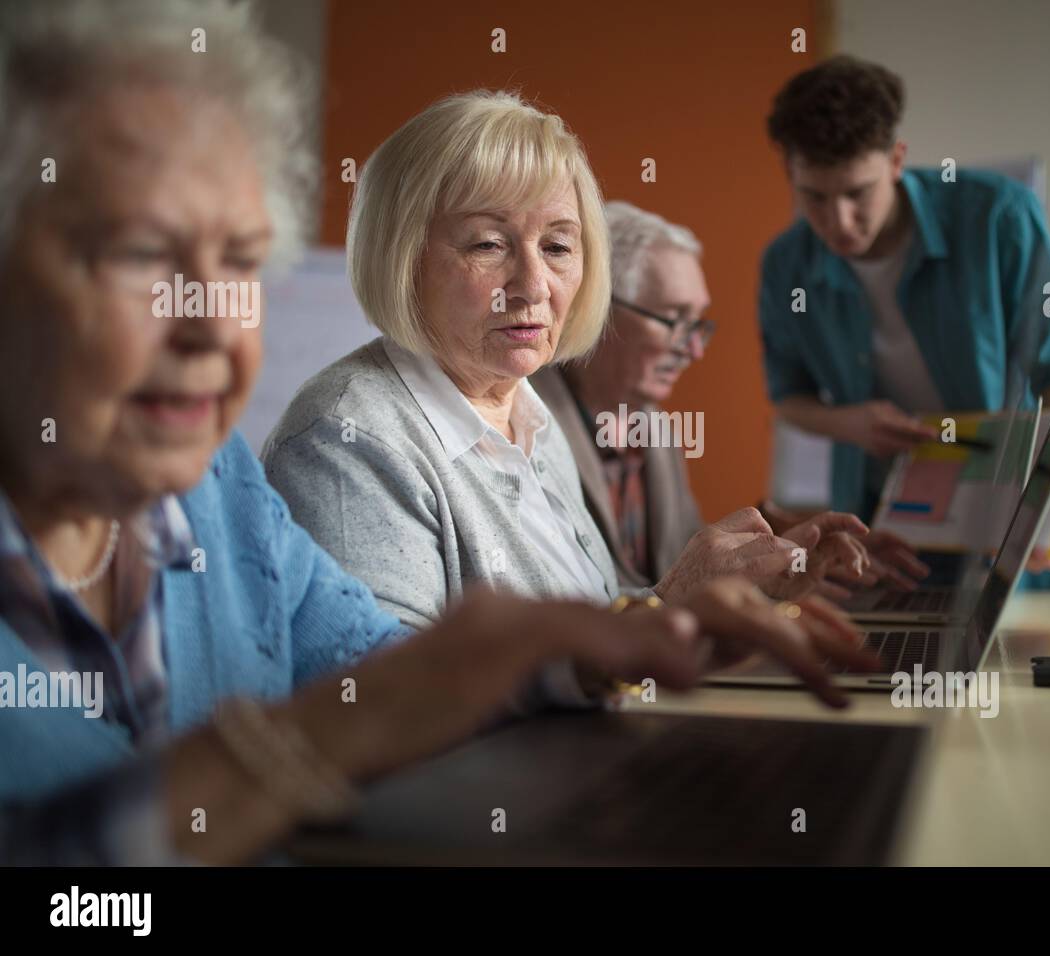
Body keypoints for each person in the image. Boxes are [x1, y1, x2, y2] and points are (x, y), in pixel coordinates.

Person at [0, 0, 872, 865]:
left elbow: (397, 680)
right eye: (141, 255)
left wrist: (626, 640)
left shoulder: (215, 486)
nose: (215, 325)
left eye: (239, 261)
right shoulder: (343, 435)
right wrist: (290, 756)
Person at [262, 91, 877, 677]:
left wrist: (733, 591)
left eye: (558, 247)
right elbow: (390, 705)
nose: (533, 285)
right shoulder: (346, 439)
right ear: (401, 255)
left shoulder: (527, 413)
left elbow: (592, 618)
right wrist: (669, 607)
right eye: (488, 243)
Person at [757, 56, 1050, 589]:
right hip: (890, 530)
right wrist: (850, 422)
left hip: (1015, 503)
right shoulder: (786, 264)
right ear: (790, 175)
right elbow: (790, 397)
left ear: (897, 160)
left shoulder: (998, 216)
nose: (839, 222)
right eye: (814, 197)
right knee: (908, 666)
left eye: (857, 193)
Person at [532, 200, 930, 595]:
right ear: (597, 308)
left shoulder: (653, 424)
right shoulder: (521, 425)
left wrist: (787, 547)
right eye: (674, 320)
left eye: (698, 323)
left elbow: (680, 562)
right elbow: (556, 608)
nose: (694, 350)